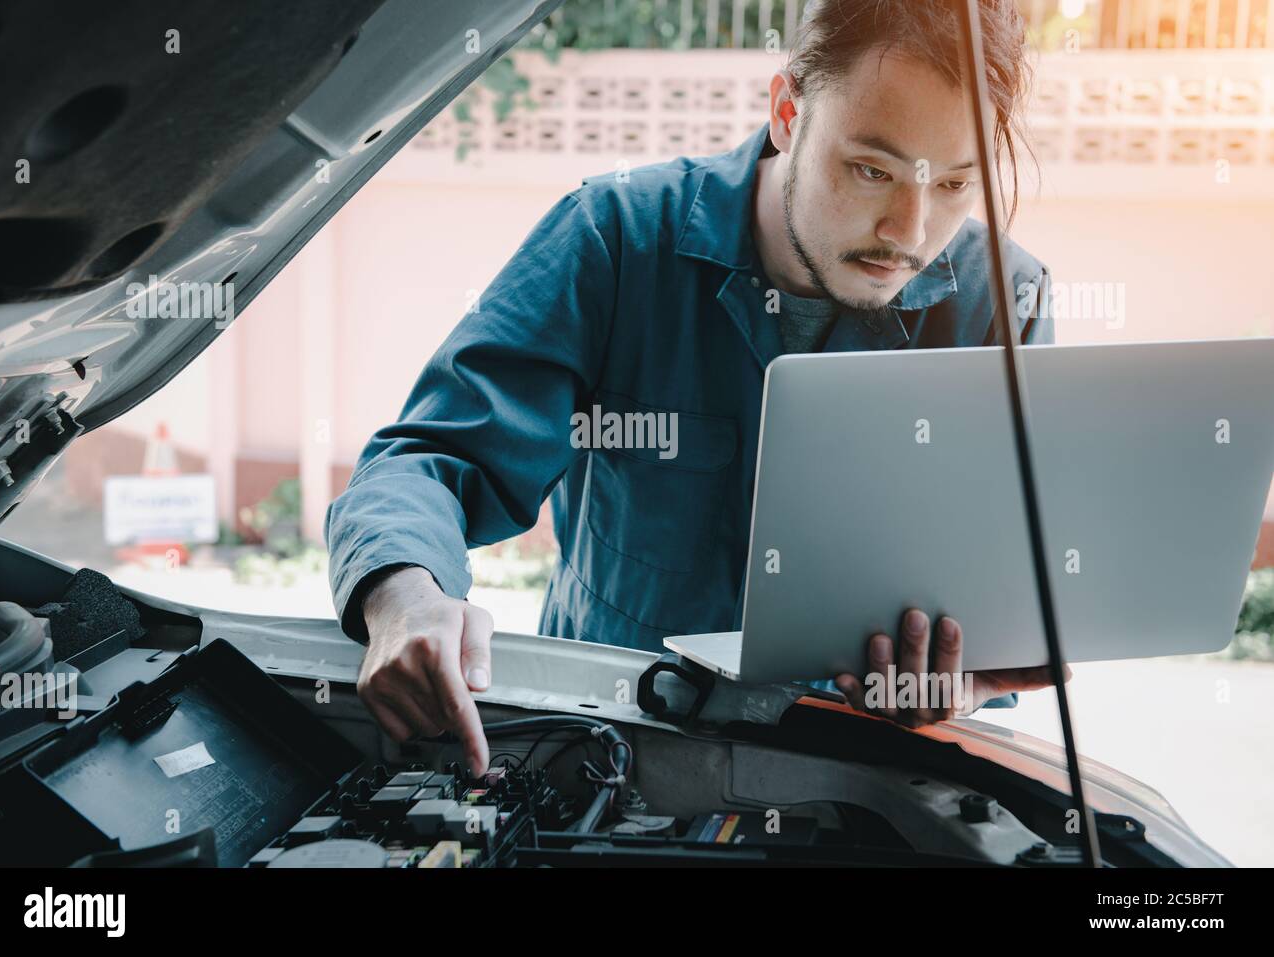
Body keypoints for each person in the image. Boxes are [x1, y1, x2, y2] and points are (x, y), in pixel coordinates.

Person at [326, 0, 1069, 777]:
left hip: (854, 776)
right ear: (788, 111)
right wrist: (404, 592)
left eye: (954, 183)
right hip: (610, 751)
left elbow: (1002, 590)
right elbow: (432, 455)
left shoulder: (1001, 301)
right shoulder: (615, 237)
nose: (909, 231)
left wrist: (959, 680)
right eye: (872, 170)